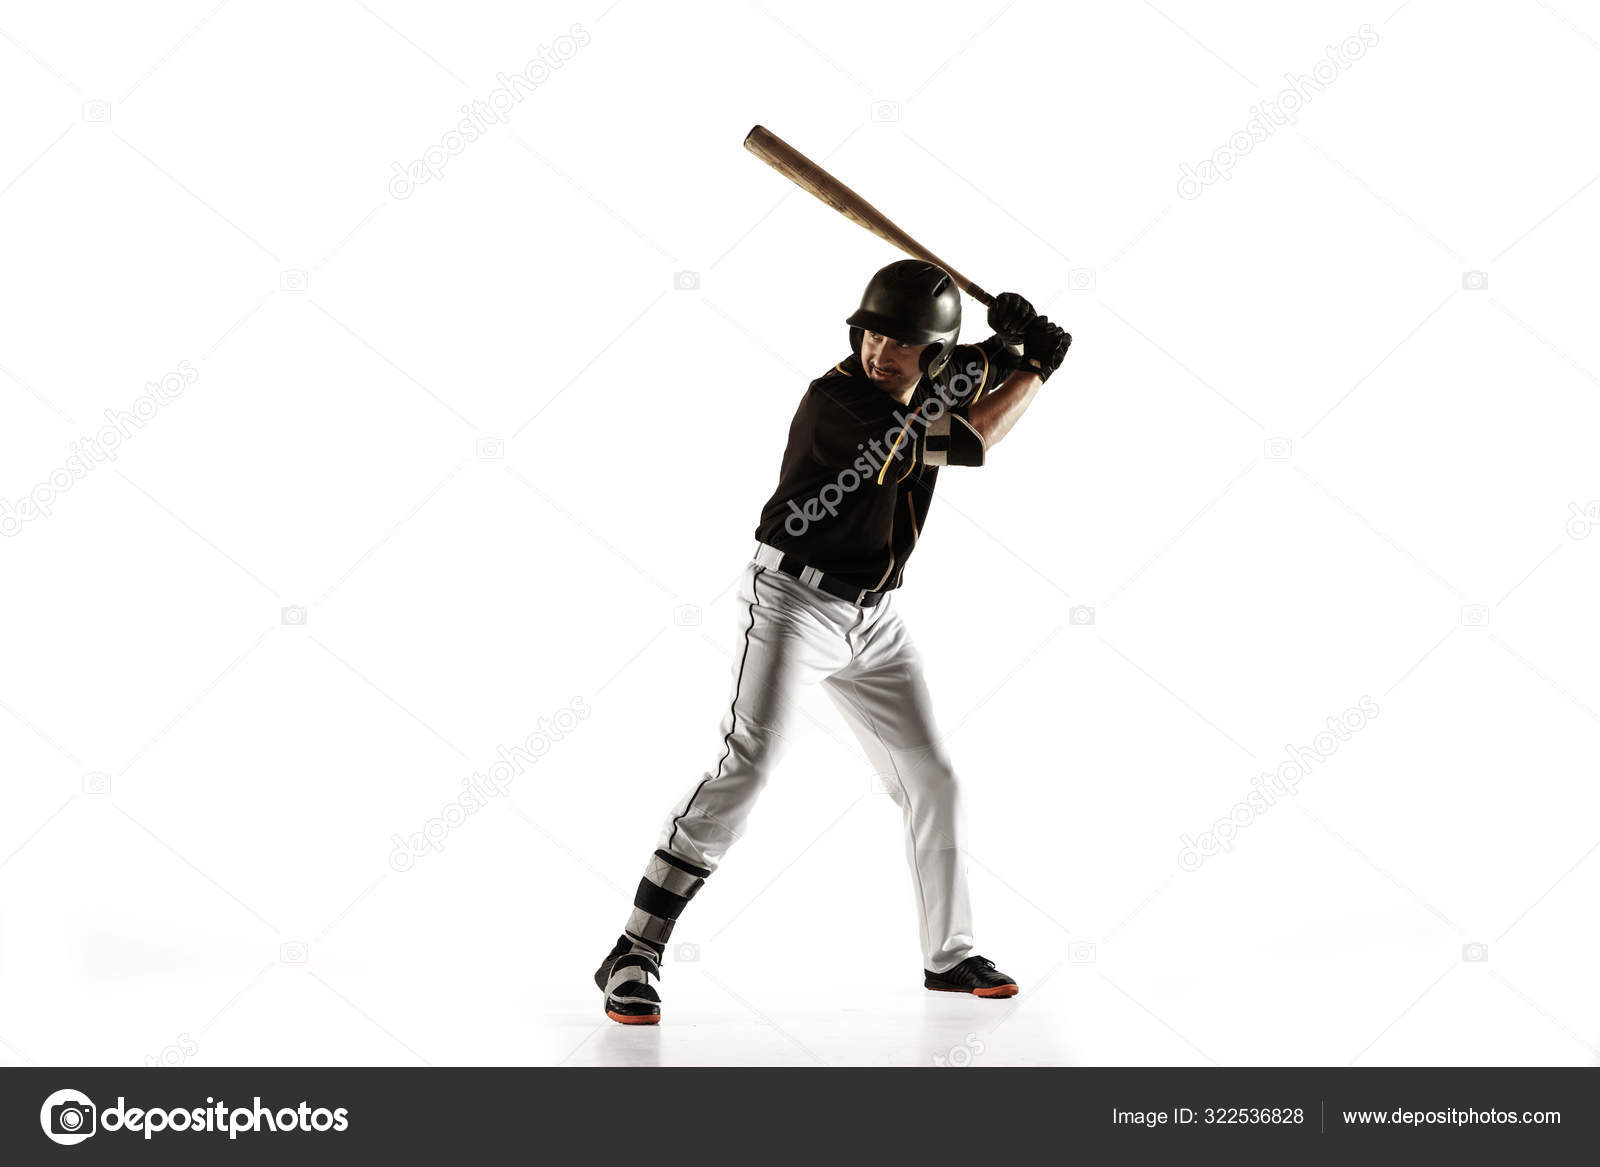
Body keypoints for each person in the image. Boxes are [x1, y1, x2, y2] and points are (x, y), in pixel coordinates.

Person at [594, 259, 1072, 1024]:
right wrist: (1037, 369)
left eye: (903, 341)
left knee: (934, 780)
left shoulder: (933, 376)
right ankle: (635, 949)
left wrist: (1011, 343)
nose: (882, 351)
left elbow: (972, 374)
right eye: (874, 332)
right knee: (747, 768)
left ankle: (949, 955)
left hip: (874, 621)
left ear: (933, 355)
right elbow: (972, 442)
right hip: (790, 601)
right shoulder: (840, 401)